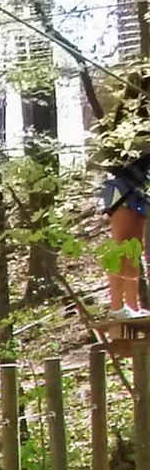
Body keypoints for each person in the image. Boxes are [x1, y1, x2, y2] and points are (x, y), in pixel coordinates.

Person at [92, 78, 150, 319]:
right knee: (122, 244)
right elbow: (117, 151)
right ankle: (116, 306)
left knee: (134, 248)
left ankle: (132, 306)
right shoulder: (128, 117)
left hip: (140, 185)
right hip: (122, 185)